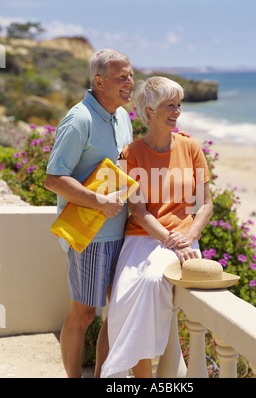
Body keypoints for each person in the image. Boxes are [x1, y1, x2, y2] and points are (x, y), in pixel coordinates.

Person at [100, 76, 213, 378]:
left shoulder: (191, 148)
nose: (177, 111)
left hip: (184, 240)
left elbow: (206, 205)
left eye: (179, 104)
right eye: (169, 105)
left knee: (152, 281)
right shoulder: (130, 153)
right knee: (125, 296)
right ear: (149, 110)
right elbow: (138, 211)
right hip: (143, 238)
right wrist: (169, 239)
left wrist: (188, 236)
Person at [44, 49, 134, 378]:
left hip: (123, 234)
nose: (130, 82)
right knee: (83, 316)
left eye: (130, 75)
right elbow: (53, 178)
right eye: (121, 76)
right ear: (99, 81)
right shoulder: (79, 118)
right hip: (90, 238)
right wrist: (98, 201)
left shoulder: (123, 116)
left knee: (119, 314)